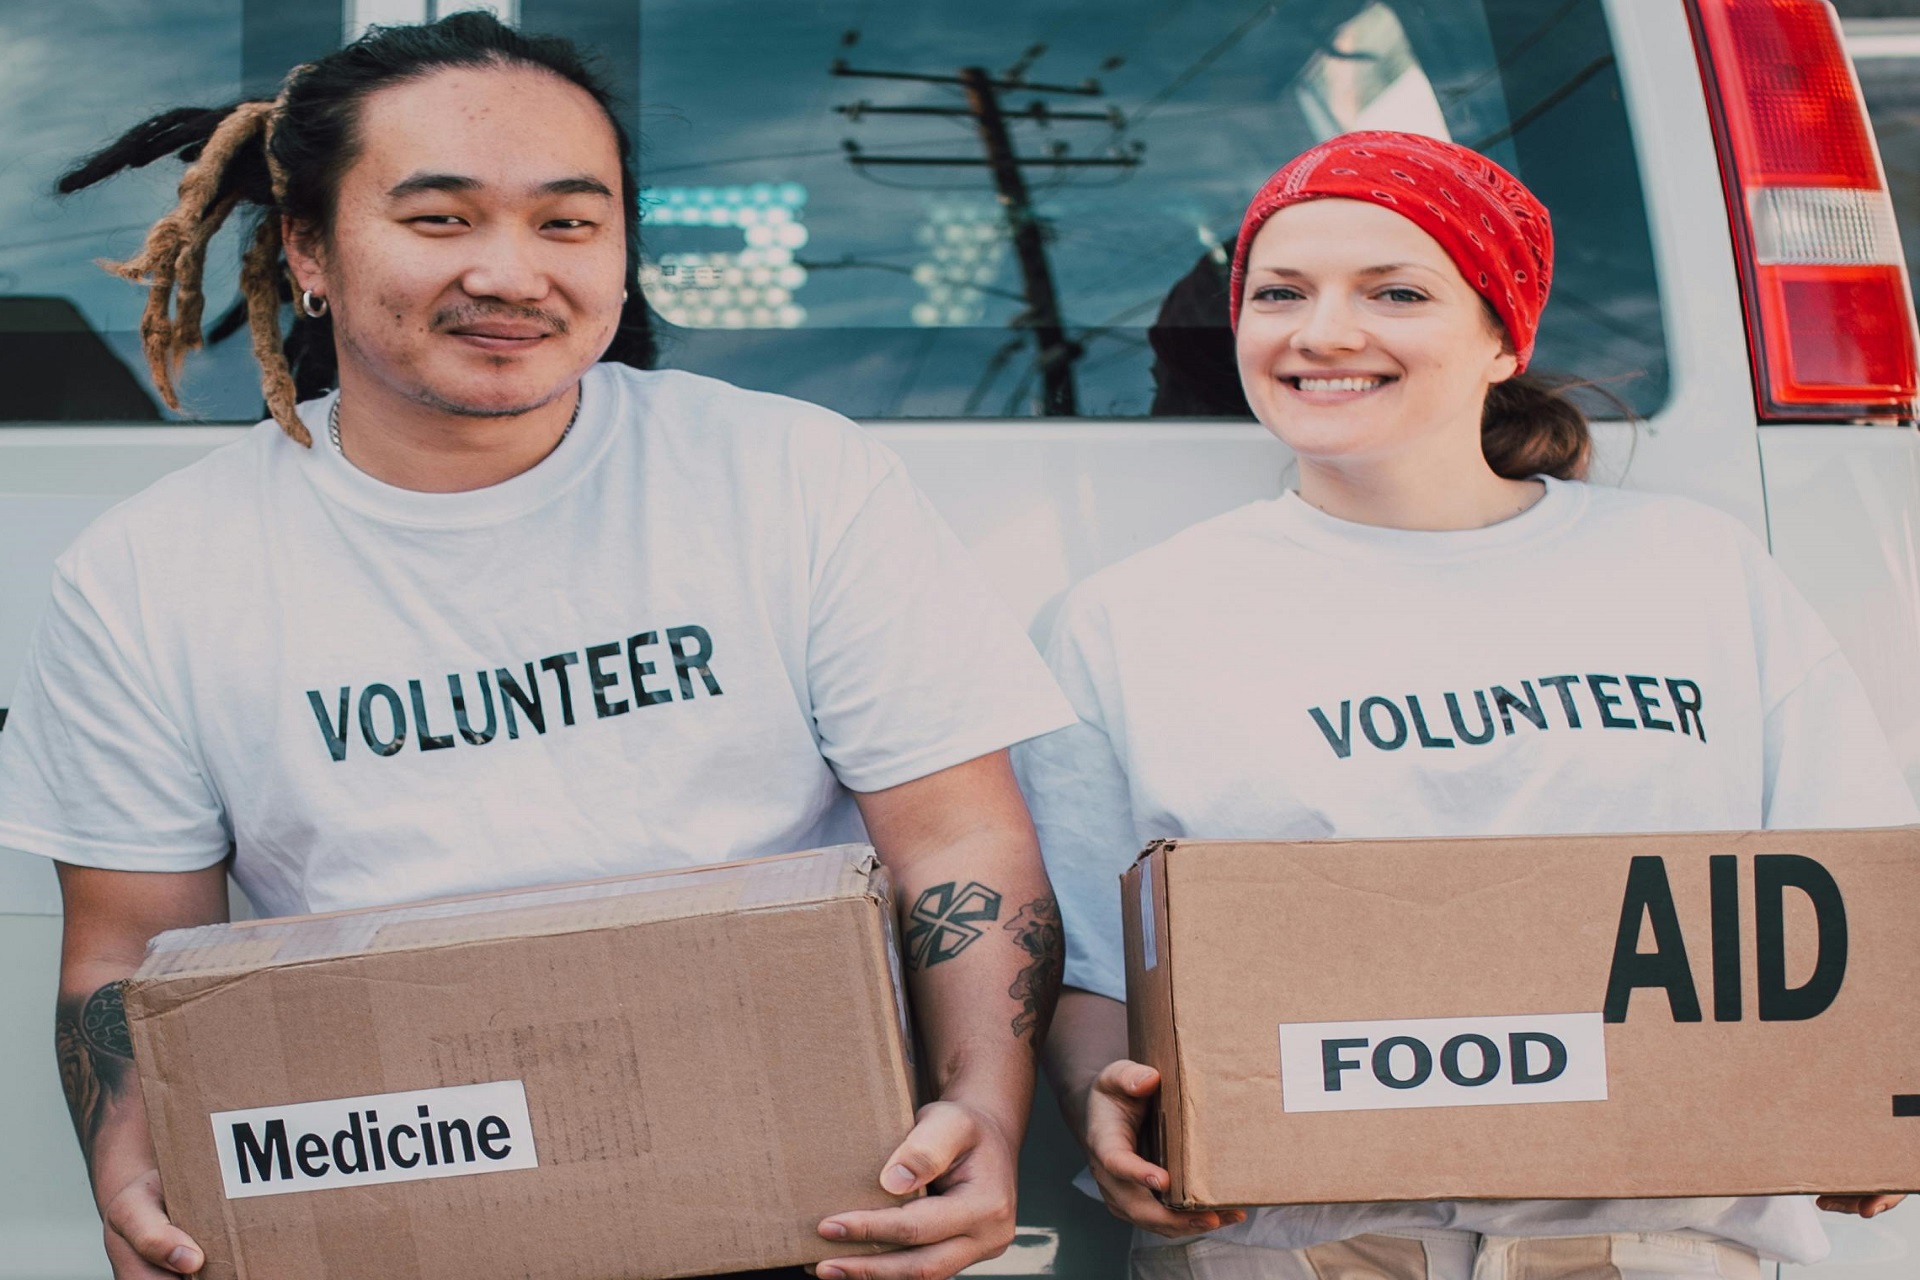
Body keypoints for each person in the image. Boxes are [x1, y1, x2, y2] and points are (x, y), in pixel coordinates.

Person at [0, 15, 1074, 1280]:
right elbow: (129, 949)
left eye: (569, 222)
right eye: (441, 219)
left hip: (807, 1207)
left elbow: (960, 837)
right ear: (307, 249)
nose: (513, 273)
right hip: (395, 1218)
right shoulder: (151, 571)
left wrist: (988, 1113)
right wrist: (132, 1160)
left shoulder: (793, 475)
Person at [1015, 130, 1913, 1280]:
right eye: (1280, 292)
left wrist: (1876, 1081)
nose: (1324, 330)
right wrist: (1103, 1104)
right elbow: (1093, 960)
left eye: (1395, 291)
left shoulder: (1693, 570)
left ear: (1502, 336)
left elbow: (1850, 881)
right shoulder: (1128, 616)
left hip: (1651, 1243)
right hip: (1303, 1252)